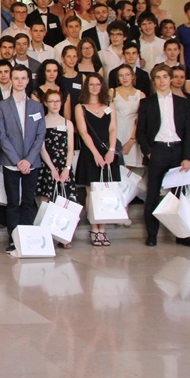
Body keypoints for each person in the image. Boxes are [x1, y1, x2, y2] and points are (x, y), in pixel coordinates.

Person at [138, 64, 190, 247]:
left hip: (178, 151)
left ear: (171, 79)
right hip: (158, 151)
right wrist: (149, 152)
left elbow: (188, 131)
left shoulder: (183, 103)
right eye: (158, 77)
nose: (162, 81)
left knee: (179, 195)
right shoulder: (147, 103)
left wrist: (187, 156)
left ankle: (182, 235)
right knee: (153, 193)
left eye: (165, 76)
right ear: (154, 81)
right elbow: (141, 132)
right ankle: (152, 234)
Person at [0, 65, 46, 251]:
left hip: (32, 163)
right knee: (13, 202)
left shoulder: (37, 106)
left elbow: (40, 135)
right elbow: (2, 136)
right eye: (16, 78)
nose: (19, 81)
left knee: (28, 201)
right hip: (11, 162)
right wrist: (18, 160)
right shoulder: (2, 106)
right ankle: (13, 237)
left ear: (27, 80)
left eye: (23, 78)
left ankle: (27, 237)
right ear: (11, 80)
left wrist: (29, 160)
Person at [74, 72, 120, 247]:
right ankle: (94, 228)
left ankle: (103, 230)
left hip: (108, 151)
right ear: (87, 87)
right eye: (91, 84)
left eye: (97, 84)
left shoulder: (109, 104)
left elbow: (113, 128)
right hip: (90, 153)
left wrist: (111, 150)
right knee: (92, 192)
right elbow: (83, 132)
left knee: (106, 192)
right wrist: (95, 153)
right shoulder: (81, 107)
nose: (94, 87)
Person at [35, 88, 77, 247]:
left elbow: (70, 148)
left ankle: (64, 235)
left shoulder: (68, 123)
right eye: (51, 101)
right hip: (47, 164)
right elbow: (42, 147)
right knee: (46, 197)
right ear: (45, 103)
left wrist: (66, 167)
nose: (55, 104)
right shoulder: (42, 122)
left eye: (57, 101)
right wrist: (52, 168)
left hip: (64, 164)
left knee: (66, 198)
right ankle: (46, 233)